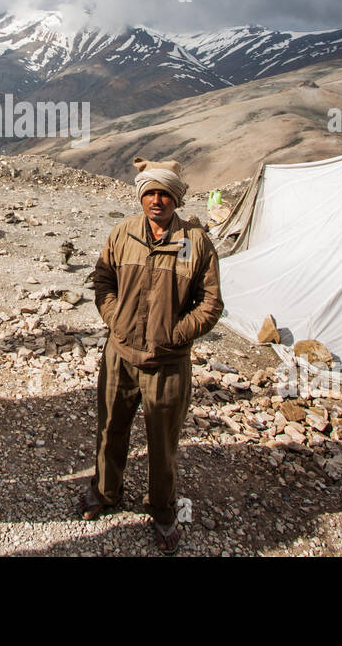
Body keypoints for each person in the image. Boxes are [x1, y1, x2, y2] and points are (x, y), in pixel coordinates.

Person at [80, 156, 223, 554]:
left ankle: (162, 510)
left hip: (168, 362)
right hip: (120, 353)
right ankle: (106, 492)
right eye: (150, 193)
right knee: (110, 429)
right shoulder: (123, 233)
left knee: (163, 441)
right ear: (142, 196)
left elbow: (210, 304)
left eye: (164, 194)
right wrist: (114, 319)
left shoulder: (196, 244)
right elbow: (103, 280)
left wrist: (175, 336)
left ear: (175, 199)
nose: (157, 200)